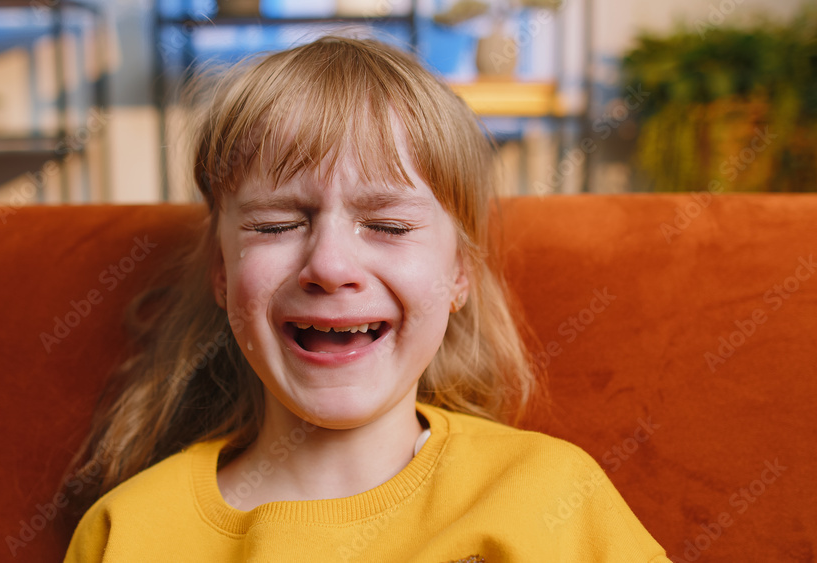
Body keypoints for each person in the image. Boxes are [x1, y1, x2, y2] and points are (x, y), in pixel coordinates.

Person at [63, 35, 668, 562]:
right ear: (221, 272)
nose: (329, 266)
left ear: (460, 273)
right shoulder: (127, 531)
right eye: (276, 225)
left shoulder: (552, 494)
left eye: (389, 225)